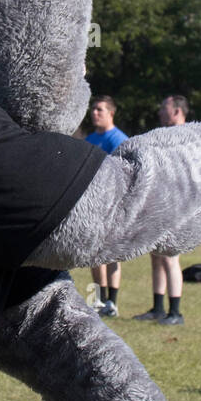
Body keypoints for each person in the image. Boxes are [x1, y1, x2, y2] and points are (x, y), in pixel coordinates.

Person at [135, 95, 191, 325]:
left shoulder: (188, 137)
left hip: (177, 204)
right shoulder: (165, 135)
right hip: (160, 202)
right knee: (156, 256)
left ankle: (175, 313)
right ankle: (158, 308)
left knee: (170, 257)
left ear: (177, 111)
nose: (159, 111)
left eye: (164, 107)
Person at [85, 95, 128, 316]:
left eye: (100, 110)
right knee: (91, 255)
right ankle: (96, 300)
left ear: (111, 113)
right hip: (92, 206)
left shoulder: (118, 139)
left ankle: (112, 302)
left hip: (113, 205)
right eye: (93, 109)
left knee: (110, 255)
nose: (95, 113)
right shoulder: (90, 139)